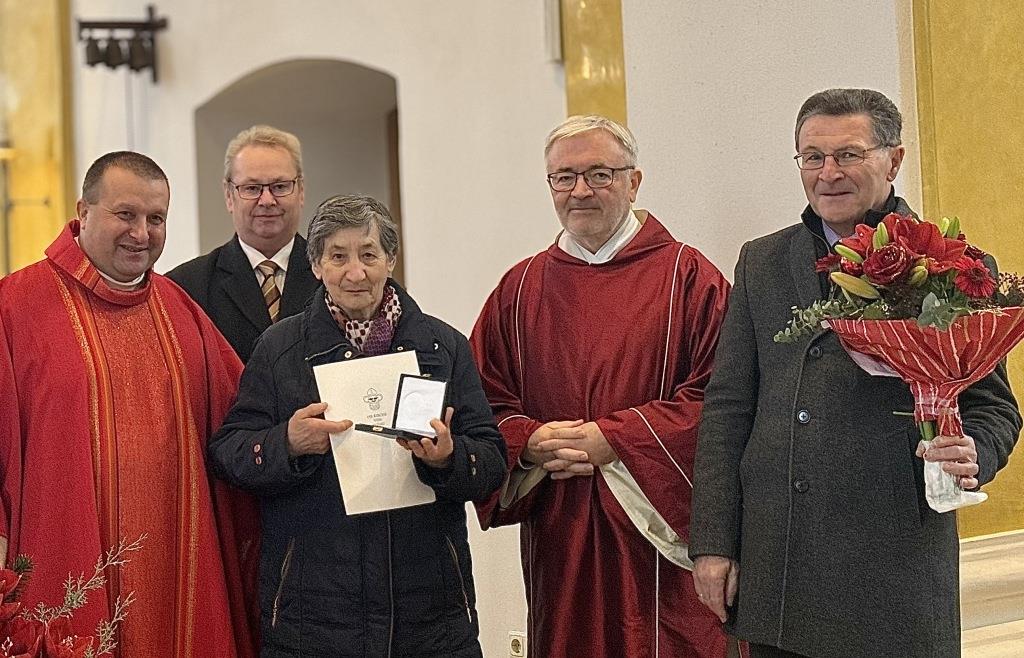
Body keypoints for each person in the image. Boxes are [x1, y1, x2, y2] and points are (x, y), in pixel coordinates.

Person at [689, 88, 1021, 658]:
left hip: (891, 569)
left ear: (893, 160)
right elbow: (728, 408)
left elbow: (993, 409)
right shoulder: (761, 261)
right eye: (811, 157)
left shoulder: (952, 265)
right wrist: (713, 542)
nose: (828, 173)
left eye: (848, 155)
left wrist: (974, 453)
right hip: (780, 565)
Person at [471, 115, 732, 656]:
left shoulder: (689, 277)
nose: (580, 191)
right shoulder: (519, 290)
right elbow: (482, 401)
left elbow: (723, 400)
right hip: (560, 528)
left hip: (662, 536)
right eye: (564, 177)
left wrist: (616, 438)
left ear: (634, 181)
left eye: (599, 173)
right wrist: (530, 442)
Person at [209, 194, 506, 657]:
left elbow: (491, 461)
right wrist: (286, 442)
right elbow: (230, 453)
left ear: (391, 259)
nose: (355, 272)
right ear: (316, 265)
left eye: (369, 255)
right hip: (313, 617)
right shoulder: (279, 349)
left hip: (431, 614)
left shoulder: (442, 347)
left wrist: (448, 458)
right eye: (338, 256)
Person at [0, 152, 259, 657]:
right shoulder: (16, 306)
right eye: (126, 214)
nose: (141, 233)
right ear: (84, 210)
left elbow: (244, 416)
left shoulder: (181, 311)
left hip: (176, 562)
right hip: (63, 557)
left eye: (156, 218)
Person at [167, 125, 320, 362]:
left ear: (301, 190)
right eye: (252, 188)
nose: (267, 200)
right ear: (229, 196)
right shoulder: (185, 288)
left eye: (280, 186)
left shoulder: (336, 277)